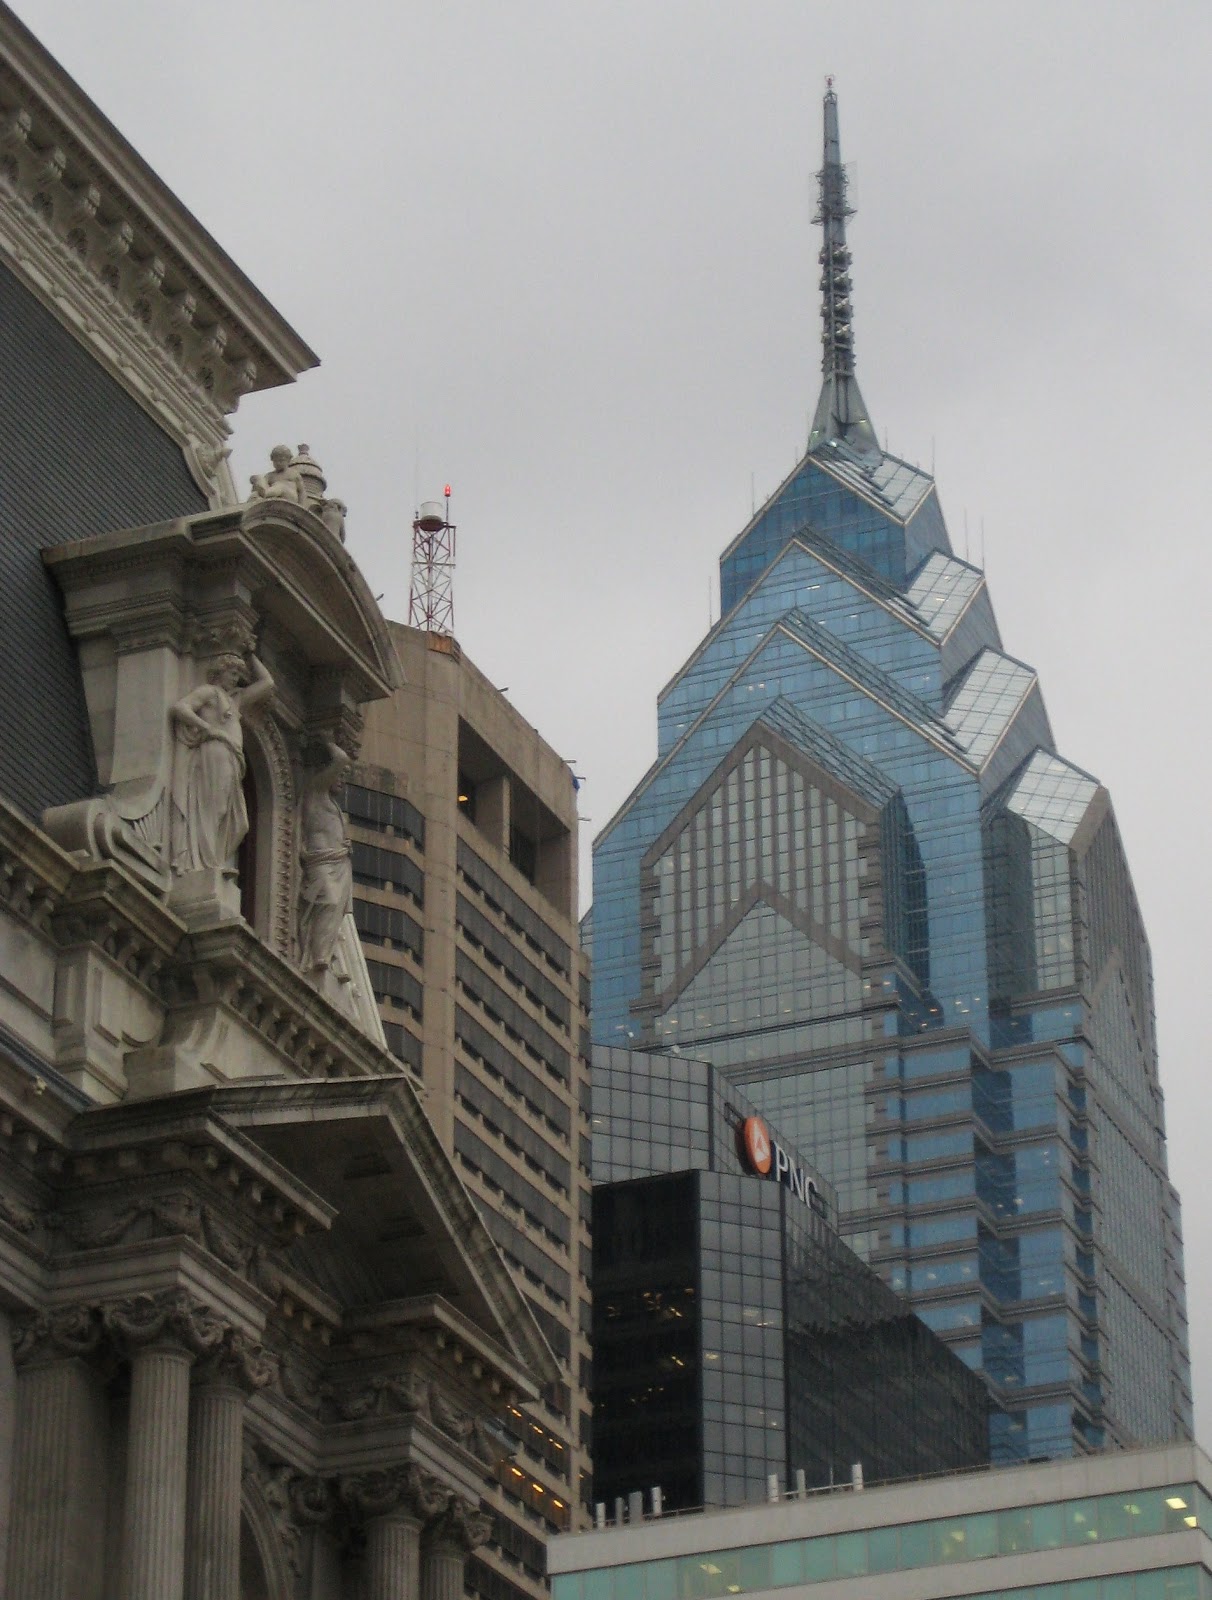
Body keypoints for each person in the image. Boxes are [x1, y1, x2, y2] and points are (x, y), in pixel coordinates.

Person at [169, 653, 274, 874]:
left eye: (238, 674)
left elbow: (267, 683)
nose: (236, 678)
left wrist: (251, 653)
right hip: (215, 751)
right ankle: (205, 864)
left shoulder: (234, 700)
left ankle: (213, 859)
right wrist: (206, 727)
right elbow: (181, 707)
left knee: (238, 820)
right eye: (232, 673)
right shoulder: (209, 692)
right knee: (214, 807)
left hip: (233, 757)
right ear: (219, 672)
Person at [297, 741, 353, 972]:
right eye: (339, 775)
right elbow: (340, 757)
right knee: (327, 900)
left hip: (338, 864)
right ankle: (316, 954)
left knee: (333, 908)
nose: (341, 779)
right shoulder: (315, 793)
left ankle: (320, 955)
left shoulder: (332, 805)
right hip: (319, 862)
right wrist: (323, 737)